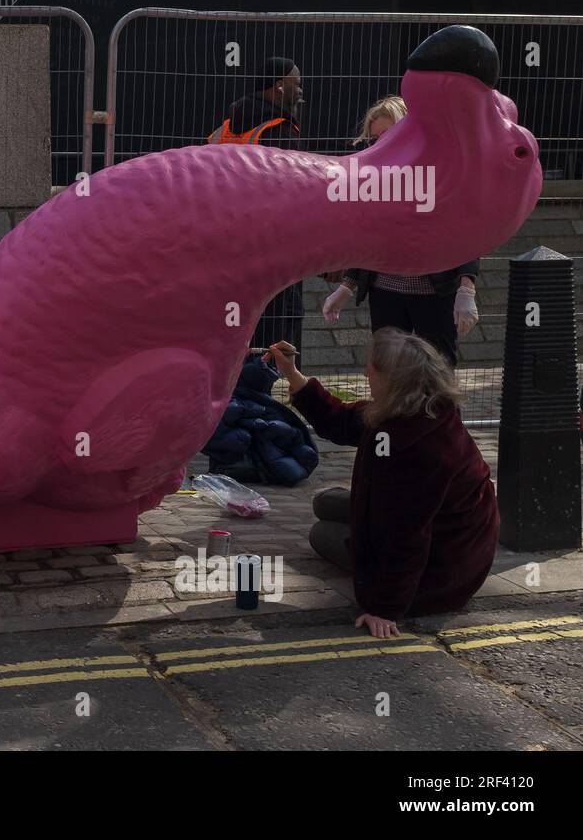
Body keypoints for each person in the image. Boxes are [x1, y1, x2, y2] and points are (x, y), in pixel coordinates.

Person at [264, 329, 499, 639]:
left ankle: (384, 580)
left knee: (321, 533)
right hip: (441, 530)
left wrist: (385, 608)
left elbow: (407, 536)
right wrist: (292, 374)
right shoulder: (419, 409)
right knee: (325, 502)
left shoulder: (421, 453)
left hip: (439, 574)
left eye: (372, 368)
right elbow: (342, 420)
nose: (365, 372)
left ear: (393, 381)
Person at [321, 96, 480, 366]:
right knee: (388, 368)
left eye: (388, 133)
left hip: (434, 292)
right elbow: (370, 236)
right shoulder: (375, 175)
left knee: (438, 370)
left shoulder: (441, 168)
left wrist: (467, 288)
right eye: (376, 138)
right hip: (386, 292)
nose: (382, 142)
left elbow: (463, 228)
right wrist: (347, 287)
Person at [209, 56, 307, 349]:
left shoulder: (226, 128)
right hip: (273, 243)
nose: (300, 90)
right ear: (278, 87)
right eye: (296, 83)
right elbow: (290, 190)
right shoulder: (279, 129)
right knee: (281, 322)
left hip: (228, 240)